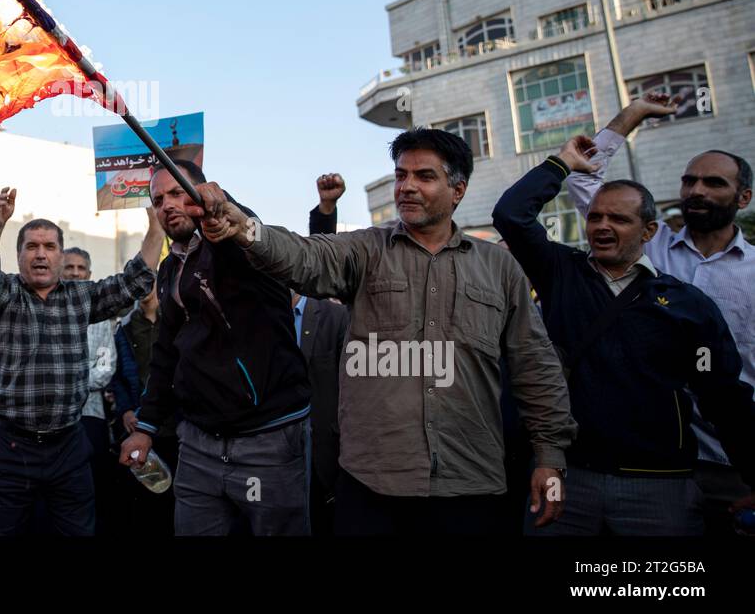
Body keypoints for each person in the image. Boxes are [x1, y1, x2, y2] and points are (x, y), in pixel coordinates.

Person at [194, 130, 577, 535]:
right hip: (372, 485)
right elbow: (304, 257)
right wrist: (246, 230)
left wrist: (550, 457)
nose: (407, 187)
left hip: (471, 482)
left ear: (458, 190)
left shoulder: (499, 269)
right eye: (400, 175)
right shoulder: (364, 251)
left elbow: (535, 365)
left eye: (424, 176)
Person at [494, 137, 755, 534]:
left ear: (649, 230)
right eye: (596, 217)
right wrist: (562, 163)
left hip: (659, 485)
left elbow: (725, 398)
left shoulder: (687, 304)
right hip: (566, 475)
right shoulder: (562, 273)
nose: (602, 227)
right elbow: (511, 214)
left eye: (618, 219)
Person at [564, 93, 755, 533]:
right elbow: (583, 183)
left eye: (713, 184)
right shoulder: (652, 246)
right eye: (690, 181)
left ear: (742, 197)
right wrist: (631, 116)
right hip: (655, 466)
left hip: (730, 463)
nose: (697, 191)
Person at [119, 160, 313, 536]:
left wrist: (224, 209)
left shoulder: (240, 241)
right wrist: (145, 427)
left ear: (205, 191)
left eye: (177, 192)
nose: (167, 205)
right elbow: (166, 353)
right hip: (198, 443)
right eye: (158, 200)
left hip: (268, 440)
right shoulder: (170, 270)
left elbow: (241, 233)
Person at [0, 186, 161, 536]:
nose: (41, 254)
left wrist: (155, 227)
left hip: (68, 448)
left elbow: (135, 281)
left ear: (60, 255)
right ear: (19, 255)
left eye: (49, 247)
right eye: (32, 246)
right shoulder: (4, 295)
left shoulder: (81, 297)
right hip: (10, 447)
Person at [299, 172, 348, 535]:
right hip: (277, 461)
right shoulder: (262, 320)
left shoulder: (333, 316)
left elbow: (323, 259)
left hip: (329, 459)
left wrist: (326, 209)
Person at [110, 273, 177, 536]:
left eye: (149, 282)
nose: (143, 288)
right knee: (140, 501)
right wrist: (125, 409)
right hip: (135, 423)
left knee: (171, 498)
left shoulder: (174, 322)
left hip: (172, 425)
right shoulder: (125, 327)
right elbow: (118, 375)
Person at [62, 246, 120, 534]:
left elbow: (106, 367)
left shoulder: (101, 318)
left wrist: (67, 382)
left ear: (89, 274)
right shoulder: (49, 310)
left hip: (91, 416)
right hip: (54, 420)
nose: (74, 273)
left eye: (80, 268)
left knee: (93, 485)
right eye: (69, 267)